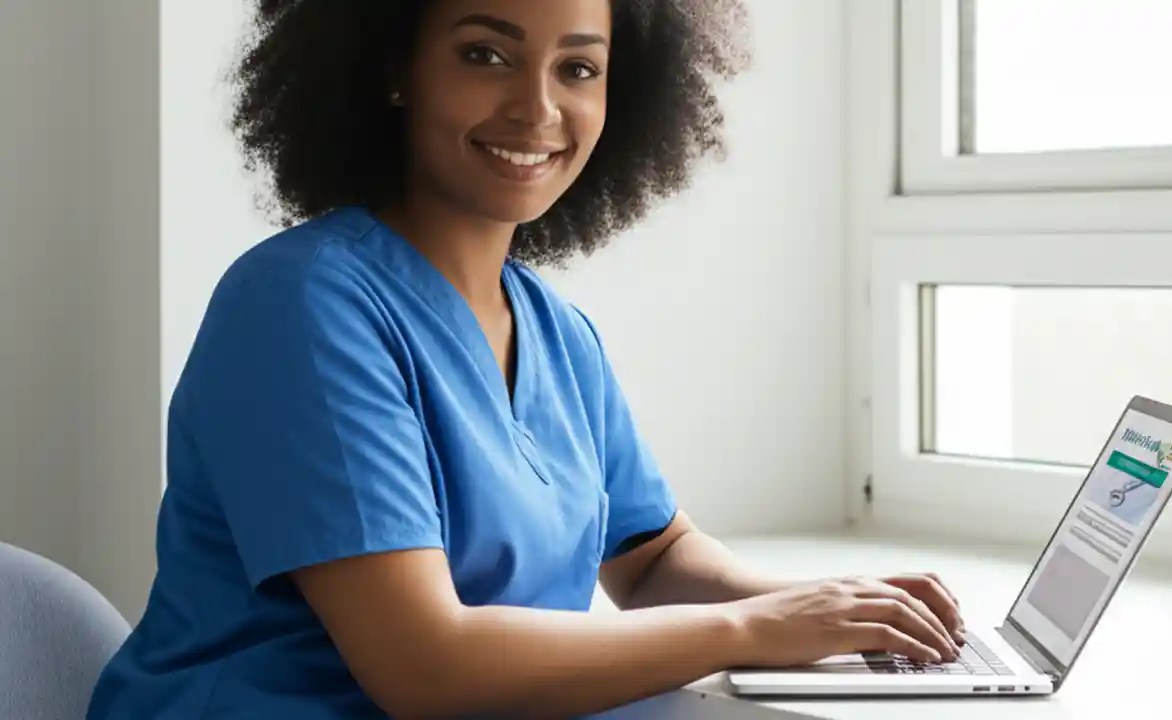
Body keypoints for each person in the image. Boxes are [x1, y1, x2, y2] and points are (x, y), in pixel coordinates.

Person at [87, 1, 967, 717]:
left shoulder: (556, 331)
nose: (538, 108)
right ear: (394, 67)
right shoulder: (300, 305)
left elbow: (653, 560)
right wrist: (757, 629)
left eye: (578, 68)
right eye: (486, 55)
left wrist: (837, 612)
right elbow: (424, 667)